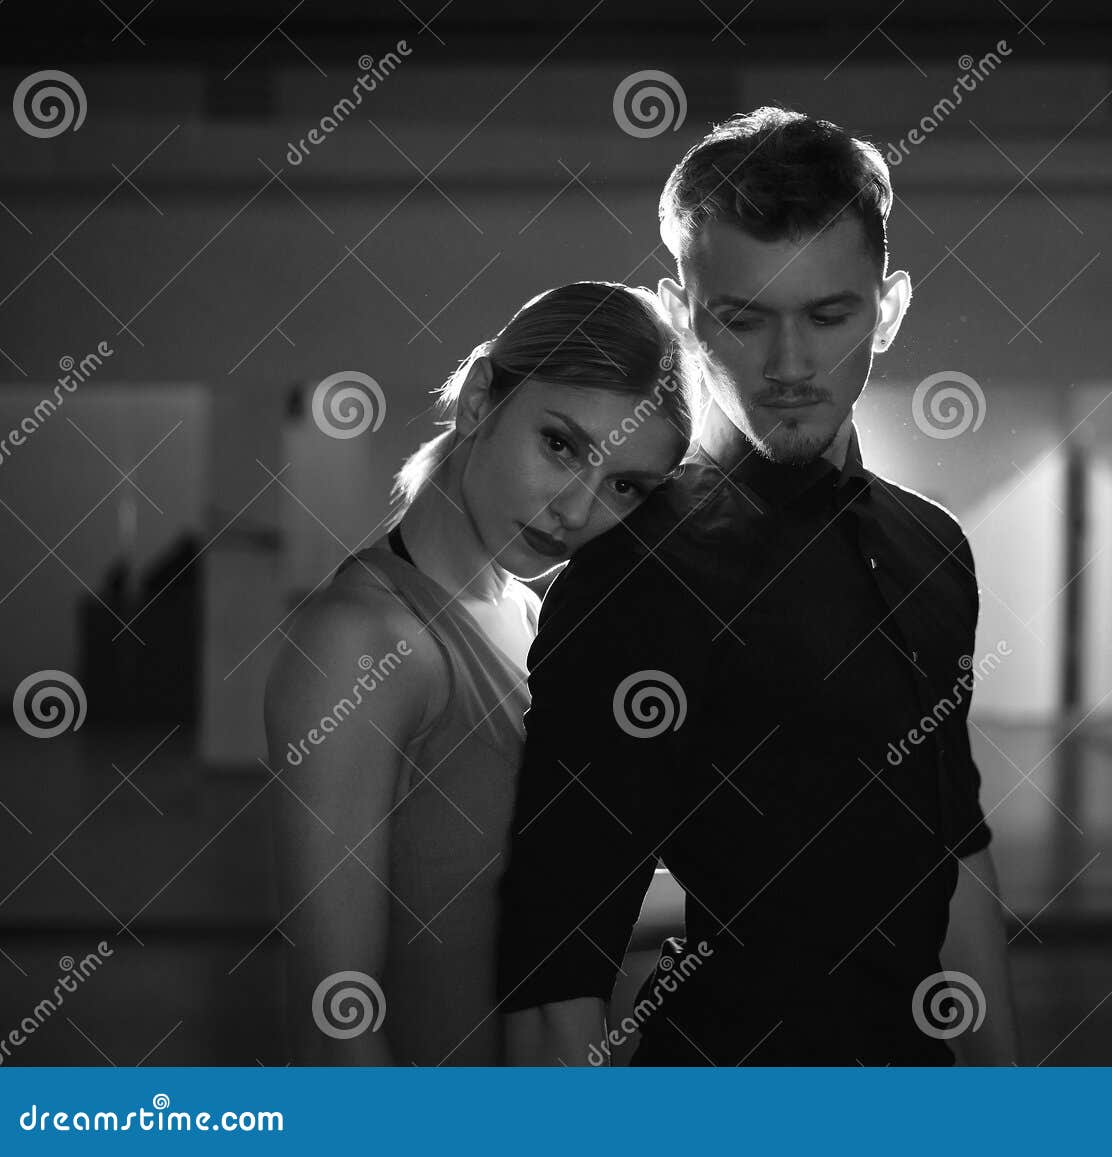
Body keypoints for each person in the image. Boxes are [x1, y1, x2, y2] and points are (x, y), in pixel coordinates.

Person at [497, 109, 1018, 1065]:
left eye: (830, 315)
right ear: (683, 310)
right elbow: (552, 971)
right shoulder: (631, 577)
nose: (789, 368)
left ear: (889, 308)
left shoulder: (934, 546)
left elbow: (956, 855)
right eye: (743, 317)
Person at [264, 282, 692, 1065]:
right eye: (561, 445)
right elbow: (335, 1022)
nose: (576, 508)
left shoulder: (536, 621)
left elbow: (541, 894)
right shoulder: (362, 639)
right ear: (479, 399)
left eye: (625, 485)